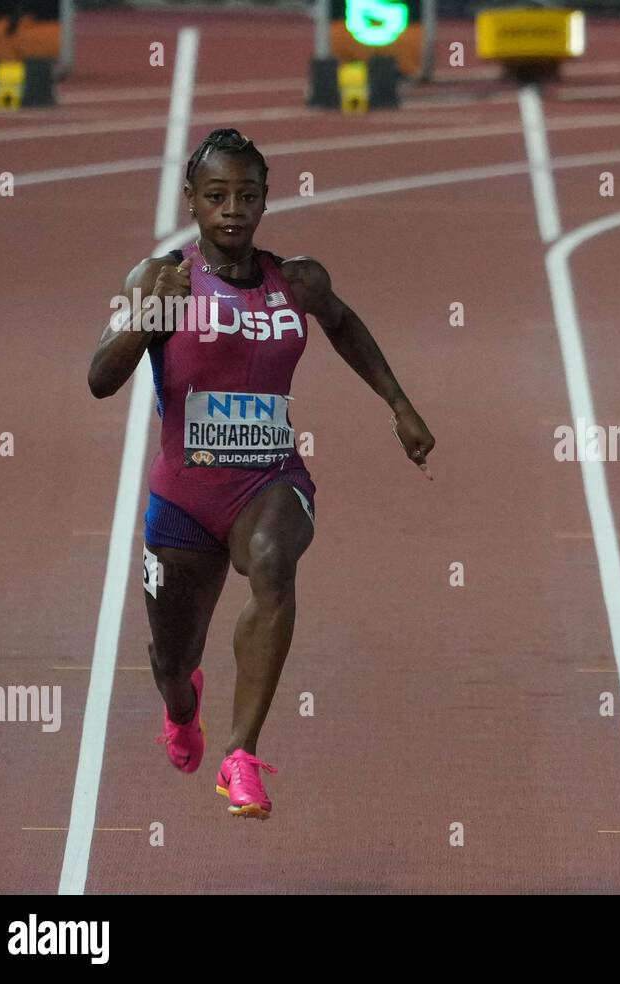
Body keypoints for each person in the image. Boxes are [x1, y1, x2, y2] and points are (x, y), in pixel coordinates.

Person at [87, 129, 434, 820]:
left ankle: (241, 756)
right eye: (216, 196)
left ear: (266, 199)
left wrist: (398, 404)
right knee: (169, 664)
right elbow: (101, 378)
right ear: (191, 200)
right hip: (183, 499)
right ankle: (184, 713)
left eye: (247, 196)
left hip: (269, 481)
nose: (232, 211)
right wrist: (151, 313)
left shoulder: (296, 279)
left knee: (274, 562)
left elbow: (342, 324)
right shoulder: (158, 277)